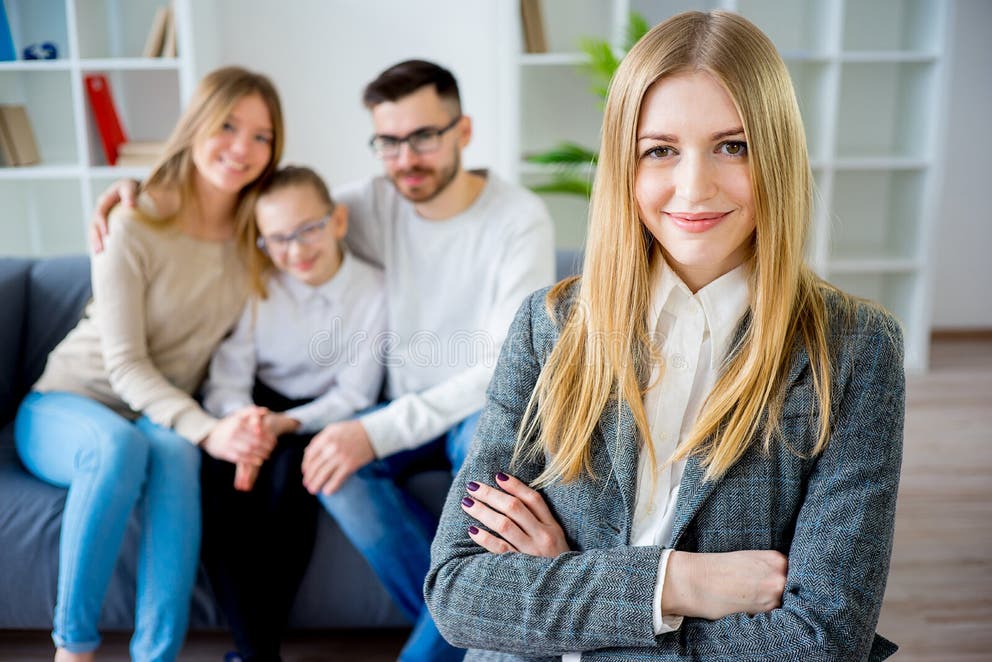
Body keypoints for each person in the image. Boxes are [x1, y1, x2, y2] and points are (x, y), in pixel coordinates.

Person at [426, 10, 904, 662]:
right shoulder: (550, 326)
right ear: (626, 164)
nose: (693, 186)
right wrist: (679, 583)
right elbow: (460, 593)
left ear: (776, 156)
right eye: (660, 150)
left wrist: (568, 593)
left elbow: (819, 640)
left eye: (731, 146)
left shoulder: (855, 348)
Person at [90, 60, 555, 662]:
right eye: (388, 142)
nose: (405, 159)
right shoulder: (367, 203)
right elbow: (278, 212)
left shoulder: (518, 219)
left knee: (484, 468)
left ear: (463, 131)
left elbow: (499, 371)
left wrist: (372, 429)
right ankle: (477, 620)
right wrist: (139, 190)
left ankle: (436, 644)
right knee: (328, 467)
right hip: (392, 404)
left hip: (475, 410)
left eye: (424, 137)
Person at [14, 66, 284, 662]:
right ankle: (74, 650)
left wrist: (228, 424)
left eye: (262, 136)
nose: (243, 147)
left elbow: (323, 209)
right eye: (229, 125)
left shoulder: (253, 243)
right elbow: (126, 365)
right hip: (68, 402)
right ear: (194, 128)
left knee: (175, 452)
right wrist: (209, 429)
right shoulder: (133, 221)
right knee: (118, 448)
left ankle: (157, 656)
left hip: (156, 417)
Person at [199, 165, 387, 662]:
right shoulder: (258, 285)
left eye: (309, 230)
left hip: (320, 414)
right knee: (223, 489)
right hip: (254, 407)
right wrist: (248, 426)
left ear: (338, 221)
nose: (296, 251)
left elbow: (355, 393)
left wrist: (285, 425)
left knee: (293, 481)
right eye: (278, 239)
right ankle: (255, 652)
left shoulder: (373, 290)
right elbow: (228, 378)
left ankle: (258, 648)